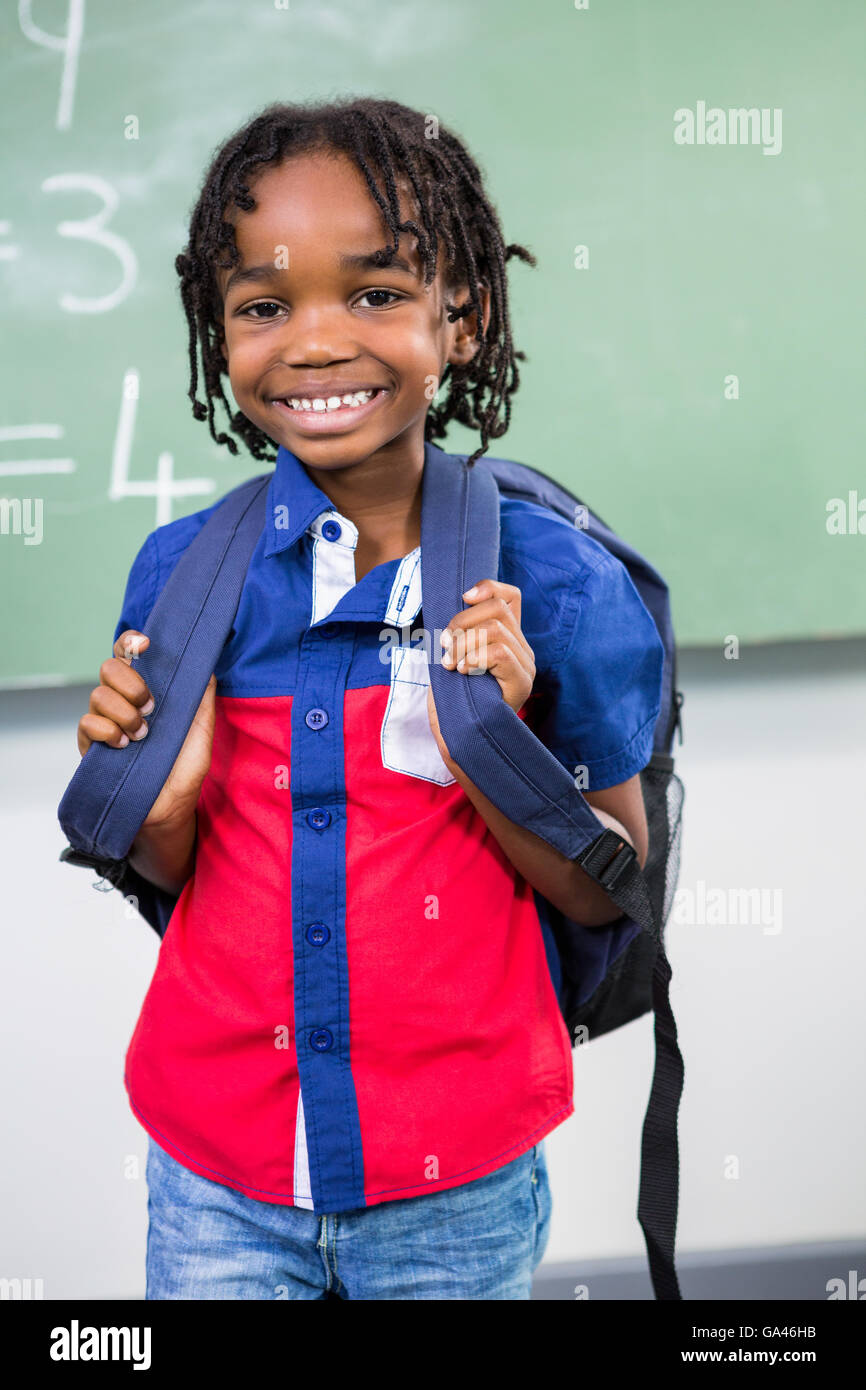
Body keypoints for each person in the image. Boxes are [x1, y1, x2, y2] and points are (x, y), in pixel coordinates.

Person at [76, 97, 664, 1300]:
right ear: (219, 336)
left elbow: (613, 887)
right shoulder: (187, 577)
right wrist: (162, 798)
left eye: (377, 294)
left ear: (463, 315)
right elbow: (181, 873)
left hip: (450, 1187)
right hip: (219, 1173)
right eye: (262, 306)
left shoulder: (550, 586)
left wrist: (488, 742)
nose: (314, 340)